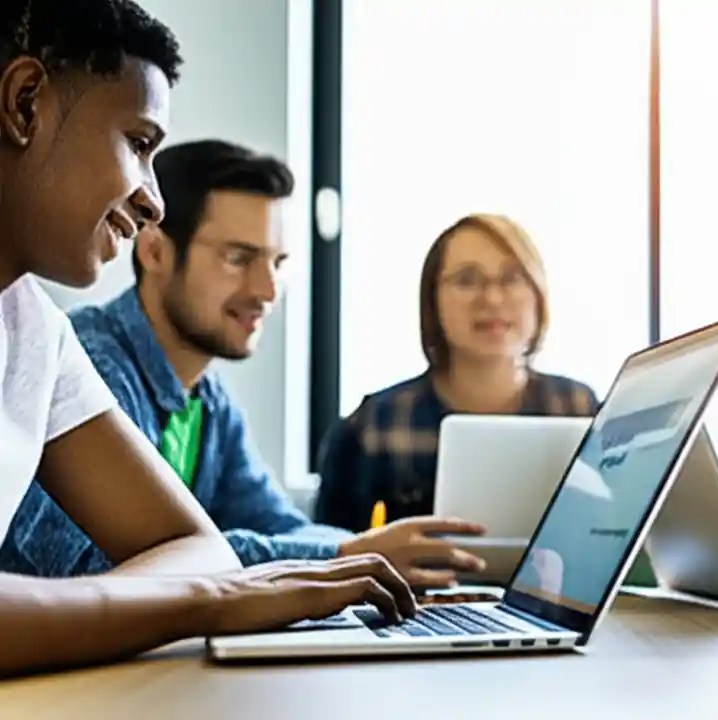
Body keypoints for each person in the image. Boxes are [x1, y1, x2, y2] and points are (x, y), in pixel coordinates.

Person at [0, 0, 413, 678]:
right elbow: (187, 579)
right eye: (138, 144)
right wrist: (210, 601)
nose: (152, 201)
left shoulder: (33, 330)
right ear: (24, 105)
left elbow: (202, 552)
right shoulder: (92, 348)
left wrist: (218, 590)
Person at [0, 139, 486, 589]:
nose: (267, 290)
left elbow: (278, 524)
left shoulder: (208, 400)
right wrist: (343, 555)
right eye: (239, 258)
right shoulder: (92, 364)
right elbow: (89, 568)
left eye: (278, 263)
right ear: (154, 251)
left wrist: (377, 553)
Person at [315, 214, 600, 532]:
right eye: (467, 280)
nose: (492, 298)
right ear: (432, 299)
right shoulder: (373, 426)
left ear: (539, 293)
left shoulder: (580, 409)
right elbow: (331, 549)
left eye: (512, 278)